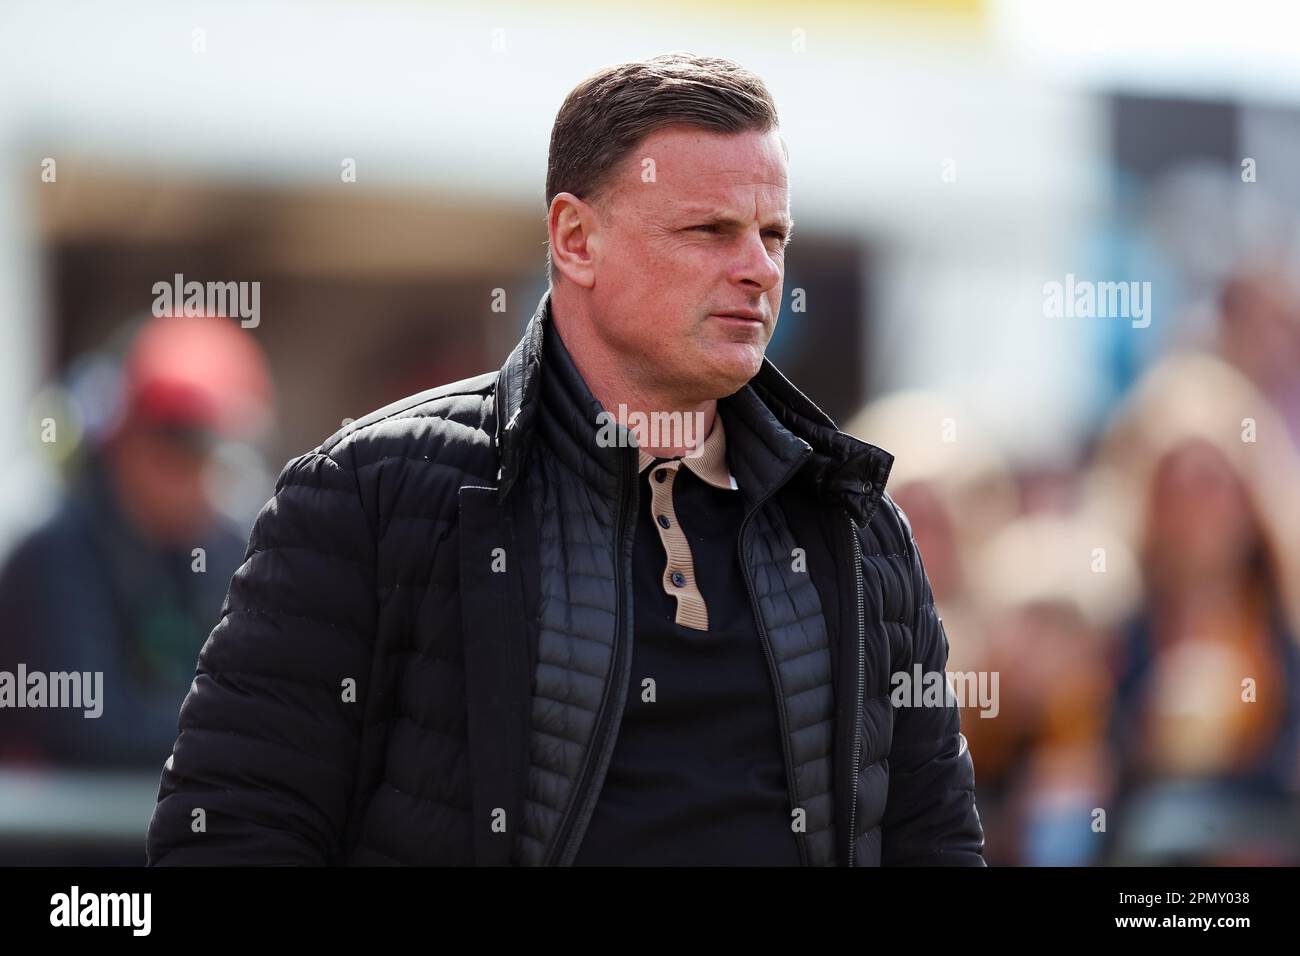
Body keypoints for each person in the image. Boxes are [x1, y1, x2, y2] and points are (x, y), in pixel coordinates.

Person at [146, 53, 985, 866]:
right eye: (711, 230)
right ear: (576, 240)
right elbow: (231, 830)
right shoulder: (369, 495)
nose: (760, 269)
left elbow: (936, 841)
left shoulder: (856, 525)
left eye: (773, 234)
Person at [0, 313, 272, 770]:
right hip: (50, 837)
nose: (203, 484)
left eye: (213, 462)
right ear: (125, 442)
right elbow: (94, 730)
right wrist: (255, 725)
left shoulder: (222, 548)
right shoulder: (54, 554)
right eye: (179, 457)